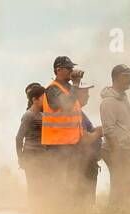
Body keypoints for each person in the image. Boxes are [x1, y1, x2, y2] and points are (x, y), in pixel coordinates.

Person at [40, 55, 84, 202]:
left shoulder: (69, 89)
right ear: (58, 70)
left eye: (72, 68)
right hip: (57, 146)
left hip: (70, 144)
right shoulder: (52, 89)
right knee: (59, 184)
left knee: (70, 184)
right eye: (69, 68)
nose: (72, 70)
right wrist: (77, 84)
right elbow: (67, 105)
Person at [100, 64, 130, 204]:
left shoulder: (123, 99)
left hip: (126, 151)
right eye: (127, 76)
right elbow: (108, 130)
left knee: (125, 188)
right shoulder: (109, 102)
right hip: (118, 151)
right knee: (120, 188)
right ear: (116, 78)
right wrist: (117, 155)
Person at [16, 83, 47, 214]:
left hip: (42, 156)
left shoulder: (42, 115)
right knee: (34, 186)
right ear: (34, 99)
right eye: (42, 98)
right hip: (31, 156)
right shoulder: (28, 116)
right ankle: (34, 212)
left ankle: (39, 211)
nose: (45, 100)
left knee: (41, 186)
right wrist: (21, 158)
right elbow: (18, 138)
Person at [74, 79, 102, 203]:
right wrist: (98, 132)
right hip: (83, 165)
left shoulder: (79, 112)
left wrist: (94, 131)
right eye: (85, 92)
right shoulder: (75, 112)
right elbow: (84, 138)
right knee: (85, 201)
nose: (88, 95)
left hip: (86, 164)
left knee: (86, 201)